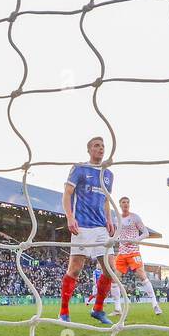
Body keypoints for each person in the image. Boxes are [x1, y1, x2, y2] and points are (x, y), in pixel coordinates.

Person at [59, 137, 117, 325]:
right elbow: (67, 193)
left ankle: (98, 309)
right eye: (96, 146)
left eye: (102, 146)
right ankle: (64, 312)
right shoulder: (79, 169)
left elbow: (106, 200)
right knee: (75, 269)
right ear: (89, 149)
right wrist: (69, 217)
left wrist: (109, 220)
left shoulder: (108, 174)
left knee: (110, 269)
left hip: (101, 227)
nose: (100, 149)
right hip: (82, 226)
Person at [113, 197, 163, 316]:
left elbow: (145, 232)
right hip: (122, 252)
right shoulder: (117, 219)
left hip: (133, 252)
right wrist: (113, 239)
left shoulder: (135, 217)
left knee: (141, 275)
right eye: (123, 202)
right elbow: (117, 234)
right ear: (120, 205)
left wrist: (136, 240)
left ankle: (155, 305)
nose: (126, 204)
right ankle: (117, 308)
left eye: (127, 202)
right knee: (115, 278)